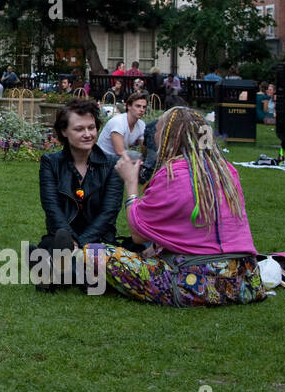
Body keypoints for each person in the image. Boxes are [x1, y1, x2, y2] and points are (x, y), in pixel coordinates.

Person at [101, 107, 267, 306]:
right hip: (246, 280)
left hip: (195, 283)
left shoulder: (173, 173)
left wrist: (130, 183)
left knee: (95, 254)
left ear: (172, 136)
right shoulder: (226, 170)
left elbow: (138, 234)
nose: (154, 135)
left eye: (158, 130)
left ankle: (65, 272)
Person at [33, 98, 123, 289]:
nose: (87, 134)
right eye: (79, 129)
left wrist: (79, 243)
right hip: (62, 235)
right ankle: (59, 267)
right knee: (59, 245)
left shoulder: (112, 164)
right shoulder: (51, 162)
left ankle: (52, 271)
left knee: (94, 265)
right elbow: (51, 207)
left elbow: (109, 213)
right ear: (64, 132)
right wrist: (70, 239)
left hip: (98, 237)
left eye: (91, 128)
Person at [99, 91, 148, 158]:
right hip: (103, 157)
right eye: (138, 106)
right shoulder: (119, 122)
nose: (142, 110)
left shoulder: (141, 125)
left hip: (118, 158)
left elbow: (144, 148)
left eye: (144, 107)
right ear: (129, 106)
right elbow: (120, 152)